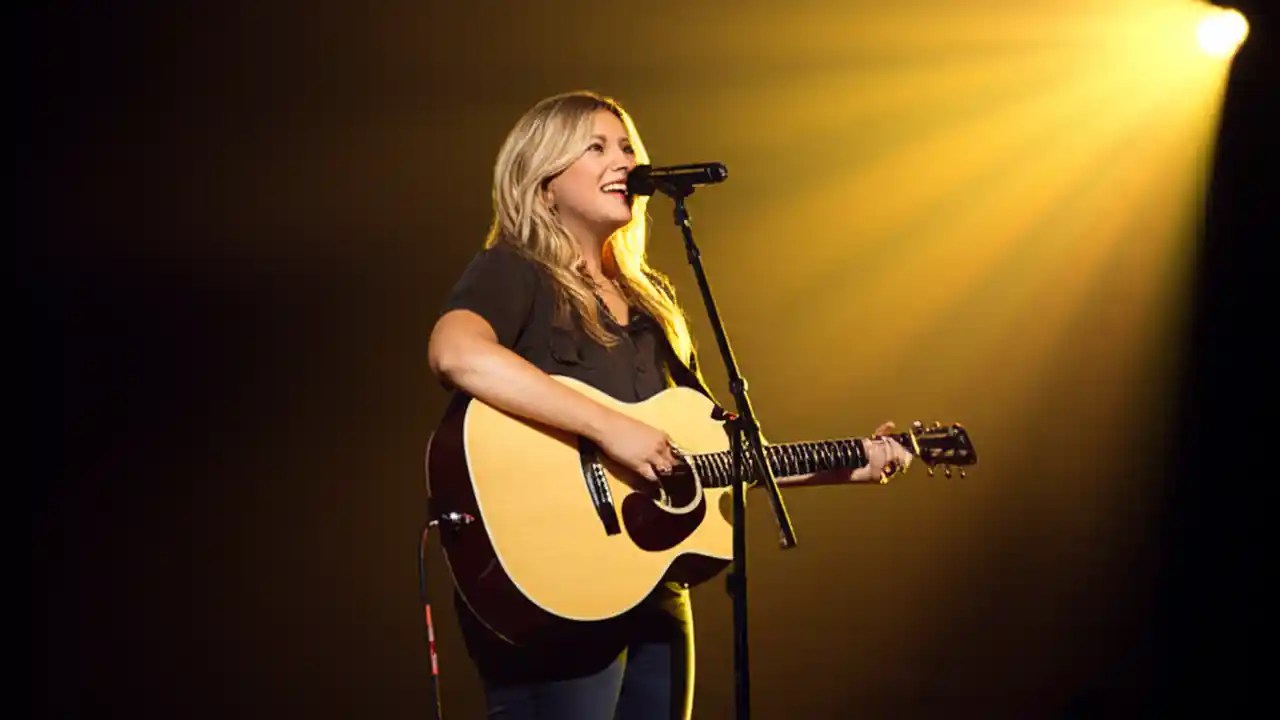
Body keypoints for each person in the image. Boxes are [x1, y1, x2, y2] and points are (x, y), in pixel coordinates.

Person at [427, 90, 912, 720]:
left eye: (627, 145)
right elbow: (455, 352)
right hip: (554, 579)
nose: (624, 159)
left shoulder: (650, 301)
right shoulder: (514, 270)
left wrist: (846, 465)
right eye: (596, 147)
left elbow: (711, 458)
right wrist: (610, 429)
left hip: (654, 580)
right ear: (542, 181)